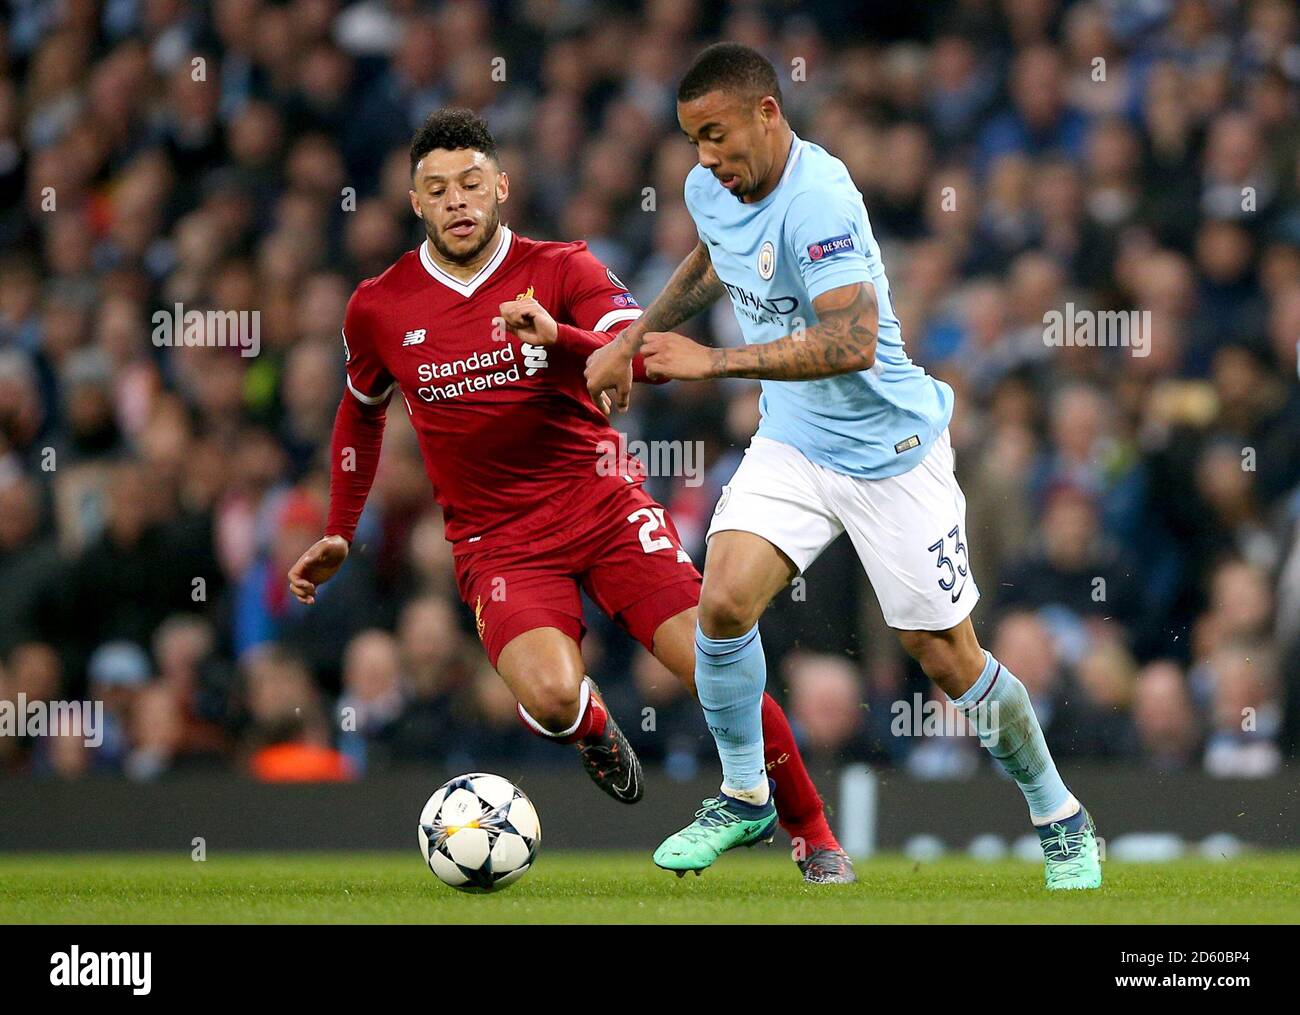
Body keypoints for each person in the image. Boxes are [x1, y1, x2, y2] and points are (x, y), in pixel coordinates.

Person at [287, 108, 855, 883]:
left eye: (471, 184)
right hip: (497, 540)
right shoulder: (379, 307)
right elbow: (359, 408)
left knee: (712, 662)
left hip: (604, 508)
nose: (457, 201)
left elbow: (645, 356)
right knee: (553, 696)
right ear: (414, 202)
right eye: (437, 189)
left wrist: (558, 335)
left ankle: (812, 832)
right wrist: (341, 529)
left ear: (502, 188)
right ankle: (590, 725)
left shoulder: (563, 269)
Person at [585, 44, 1101, 891]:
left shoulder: (819, 199)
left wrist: (709, 362)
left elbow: (851, 340)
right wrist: (631, 338)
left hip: (891, 452)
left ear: (768, 113)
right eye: (692, 142)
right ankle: (748, 792)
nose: (706, 158)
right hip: (794, 442)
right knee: (720, 602)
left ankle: (1059, 813)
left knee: (946, 657)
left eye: (716, 135)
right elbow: (715, 253)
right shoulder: (712, 187)